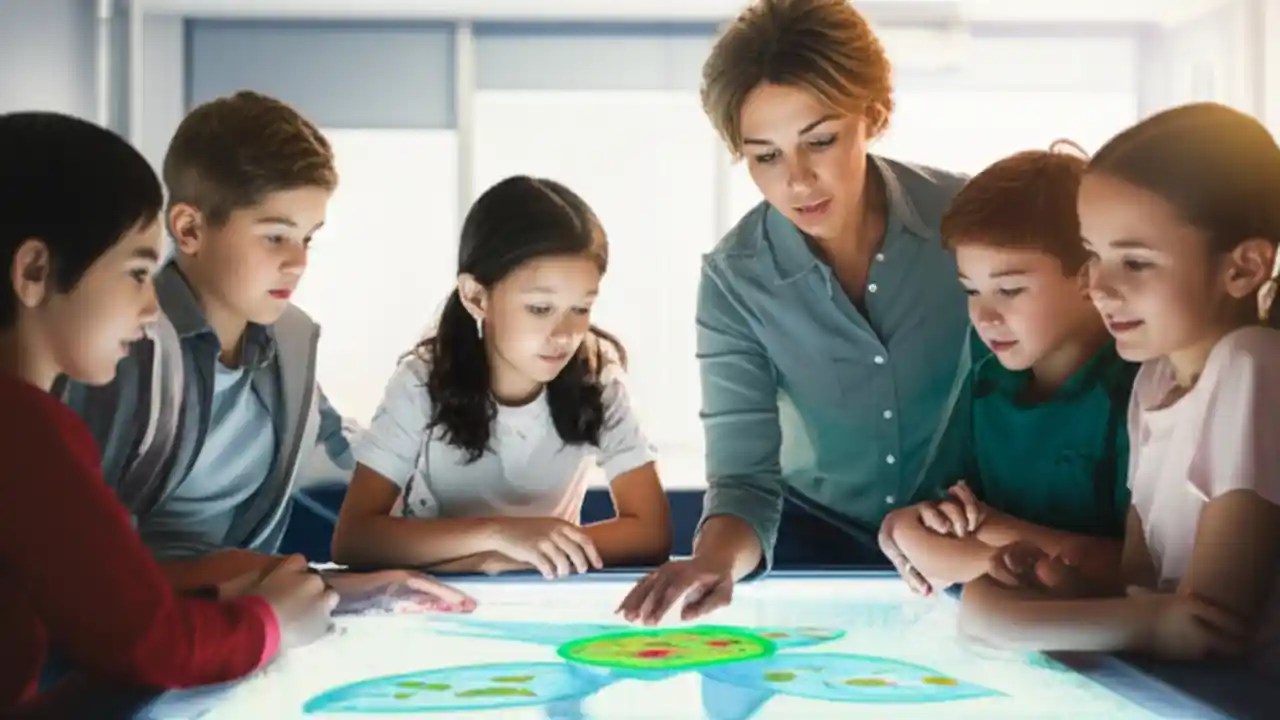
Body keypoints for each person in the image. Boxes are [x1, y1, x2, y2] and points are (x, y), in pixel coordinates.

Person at [618, 0, 976, 625]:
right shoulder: (734, 280)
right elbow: (743, 477)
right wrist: (715, 561)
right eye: (766, 156)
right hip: (815, 541)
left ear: (875, 115)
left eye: (821, 140)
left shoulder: (968, 218)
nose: (798, 180)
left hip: (964, 533)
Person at [60, 91, 473, 612]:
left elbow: (355, 459)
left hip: (244, 622)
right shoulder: (124, 345)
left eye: (308, 238)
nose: (298, 262)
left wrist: (488, 527)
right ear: (189, 229)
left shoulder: (289, 341)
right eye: (275, 237)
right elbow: (74, 561)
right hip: (130, 634)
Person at [0, 111, 335, 714]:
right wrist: (268, 623)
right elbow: (139, 634)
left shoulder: (289, 345)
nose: (153, 304)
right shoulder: (26, 431)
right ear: (34, 273)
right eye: (135, 272)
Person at [959, 103, 1280, 669]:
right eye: (1093, 254)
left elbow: (1209, 622)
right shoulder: (1154, 379)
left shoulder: (1252, 364)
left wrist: (1098, 615)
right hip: (1170, 684)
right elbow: (1142, 585)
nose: (1097, 286)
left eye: (1134, 262)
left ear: (1244, 267)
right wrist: (1060, 587)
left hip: (1237, 694)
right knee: (986, 602)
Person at [332, 176, 672, 578]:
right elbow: (354, 538)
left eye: (581, 308)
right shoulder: (421, 382)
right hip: (433, 597)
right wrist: (499, 534)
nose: (565, 335)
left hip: (545, 592)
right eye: (540, 308)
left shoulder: (598, 379)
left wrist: (523, 556)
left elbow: (651, 532)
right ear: (477, 296)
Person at [878, 146, 1136, 598]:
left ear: (1088, 276)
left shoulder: (1131, 389)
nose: (985, 315)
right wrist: (910, 525)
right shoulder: (988, 376)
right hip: (1006, 603)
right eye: (971, 290)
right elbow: (928, 520)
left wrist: (995, 532)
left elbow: (1132, 568)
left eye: (1011, 290)